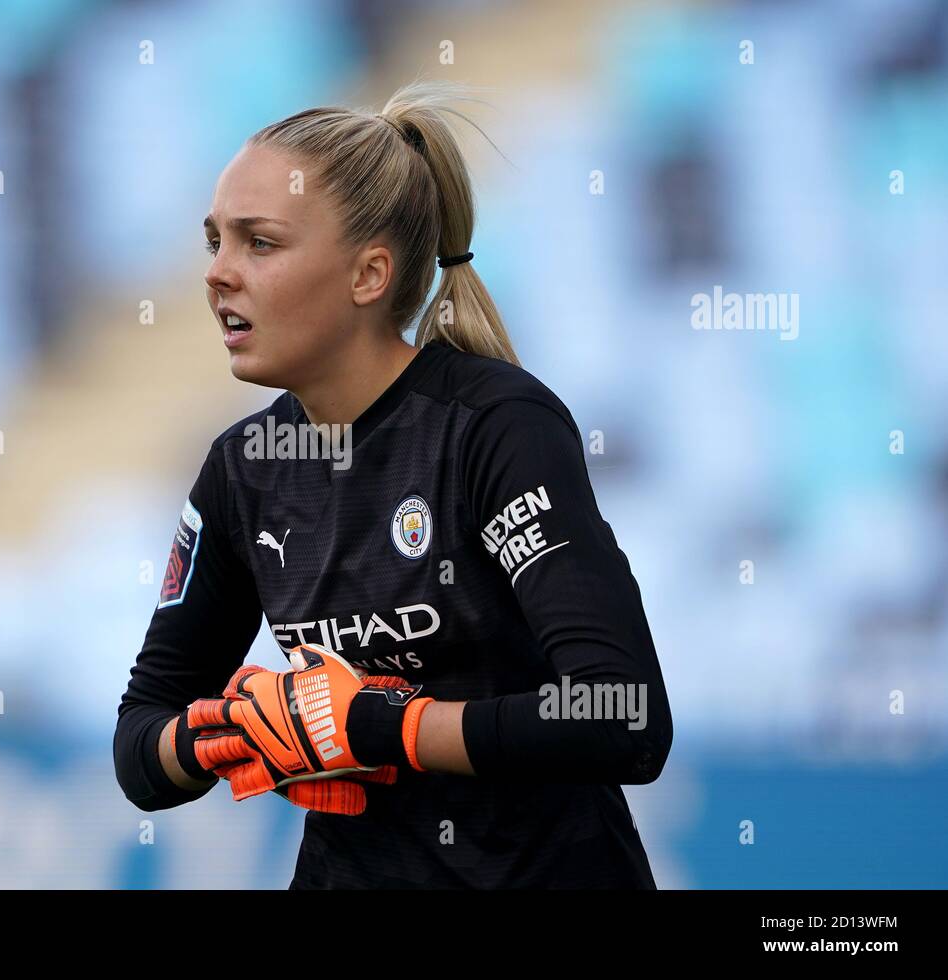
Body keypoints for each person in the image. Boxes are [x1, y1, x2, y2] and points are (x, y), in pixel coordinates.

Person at [113, 80, 673, 888]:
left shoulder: (495, 426)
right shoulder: (244, 468)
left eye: (259, 243)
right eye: (214, 242)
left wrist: (378, 726)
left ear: (369, 273)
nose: (218, 275)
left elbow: (623, 716)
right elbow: (141, 743)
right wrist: (241, 729)